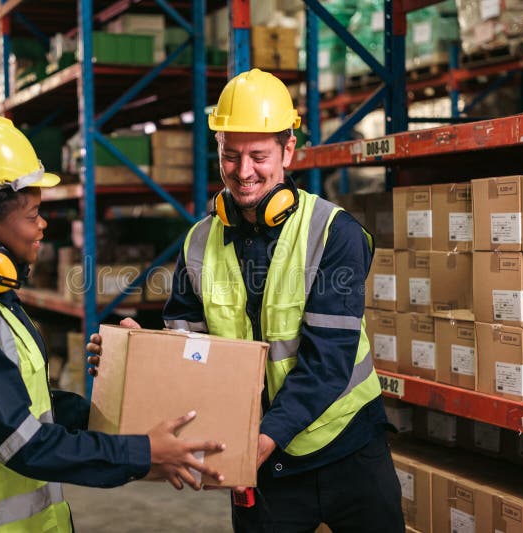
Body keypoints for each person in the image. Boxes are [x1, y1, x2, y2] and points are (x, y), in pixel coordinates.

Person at [89, 69, 404, 532]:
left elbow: (329, 360)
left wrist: (265, 435)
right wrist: (142, 354)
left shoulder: (333, 233)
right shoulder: (199, 243)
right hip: (262, 462)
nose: (243, 172)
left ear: (288, 151)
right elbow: (192, 352)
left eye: (259, 156)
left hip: (346, 449)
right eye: (230, 155)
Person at [0, 115, 225, 533]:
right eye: (33, 215)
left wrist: (119, 414)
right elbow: (25, 443)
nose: (43, 226)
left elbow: (25, 400)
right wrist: (142, 453)